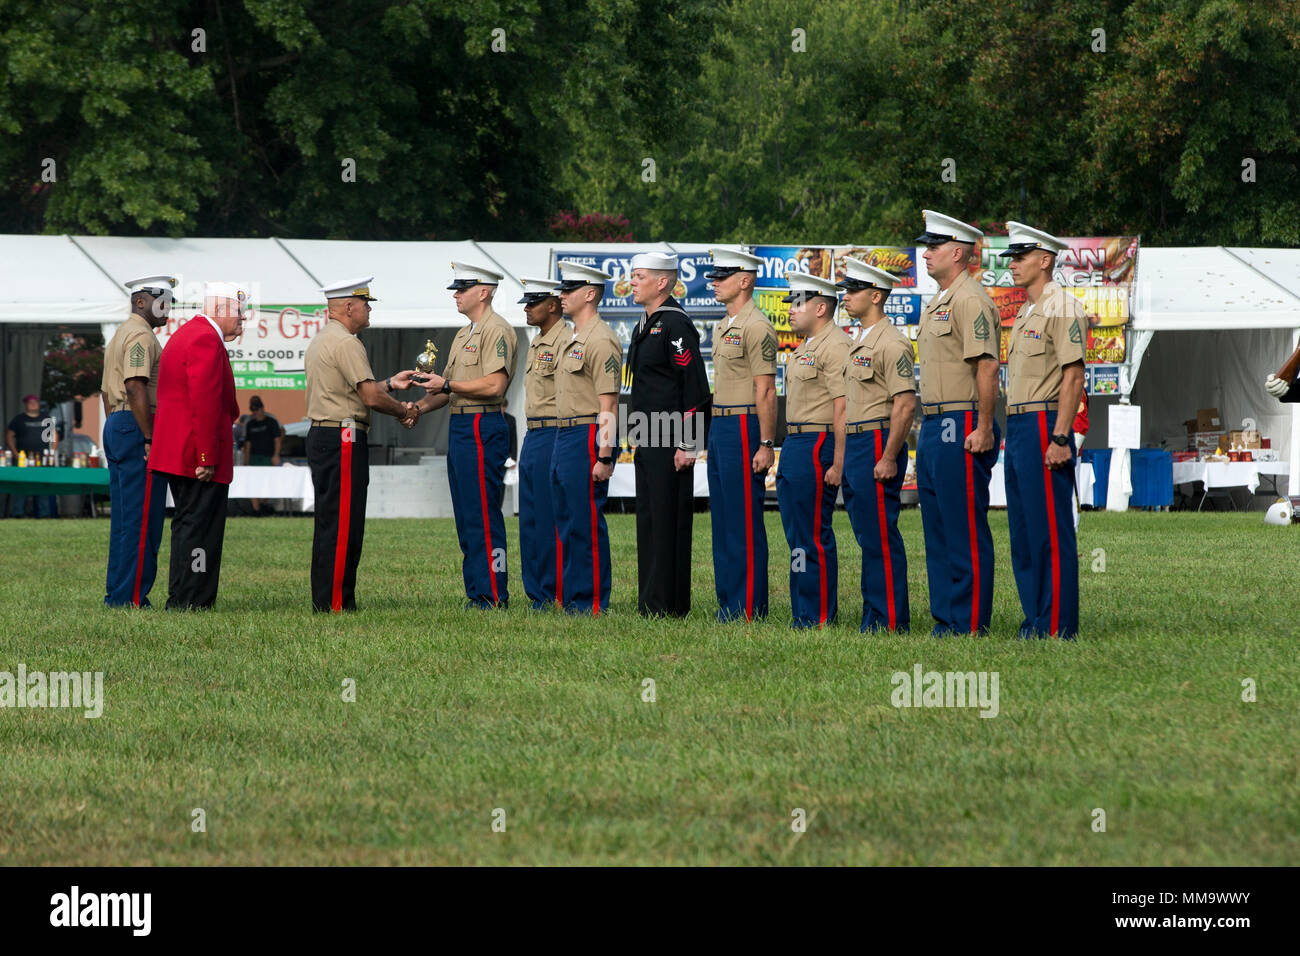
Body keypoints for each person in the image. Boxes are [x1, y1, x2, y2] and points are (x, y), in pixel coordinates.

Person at [304, 276, 420, 612]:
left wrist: (389, 384)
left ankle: (330, 599)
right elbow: (368, 396)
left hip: (327, 434)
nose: (369, 309)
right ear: (349, 307)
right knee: (344, 524)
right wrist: (403, 411)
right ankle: (335, 602)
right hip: (342, 437)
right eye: (366, 303)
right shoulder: (347, 343)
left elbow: (352, 389)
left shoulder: (326, 339)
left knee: (333, 521)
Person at [915, 210, 1001, 637]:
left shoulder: (970, 299)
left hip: (961, 419)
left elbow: (987, 366)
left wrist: (984, 427)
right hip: (934, 422)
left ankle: (968, 621)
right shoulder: (939, 300)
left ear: (957, 251)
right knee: (938, 527)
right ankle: (946, 617)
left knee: (963, 524)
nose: (926, 254)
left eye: (933, 247)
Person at [413, 262, 518, 609]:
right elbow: (446, 389)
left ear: (483, 292)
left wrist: (447, 385)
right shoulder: (464, 333)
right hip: (461, 425)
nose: (455, 294)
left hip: (482, 424)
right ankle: (477, 591)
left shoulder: (497, 330)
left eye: (462, 289)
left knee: (484, 513)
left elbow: (494, 384)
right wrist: (416, 409)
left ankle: (493, 592)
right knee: (466, 515)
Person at [1000, 223, 1086, 640]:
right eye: (1012, 258)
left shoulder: (1062, 306)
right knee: (1024, 531)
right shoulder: (1024, 313)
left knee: (1051, 529)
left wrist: (1060, 437)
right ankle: (1035, 617)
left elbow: (1073, 377)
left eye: (1020, 257)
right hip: (1017, 424)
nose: (1013, 265)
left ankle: (1057, 624)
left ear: (1045, 260)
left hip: (1043, 422)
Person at [625, 252, 711, 617]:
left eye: (639, 275)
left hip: (670, 436)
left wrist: (689, 443)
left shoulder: (675, 324)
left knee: (667, 521)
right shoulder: (643, 325)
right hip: (647, 435)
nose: (632, 282)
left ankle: (667, 605)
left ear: (662, 282)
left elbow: (694, 385)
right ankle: (651, 602)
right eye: (632, 275)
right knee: (648, 519)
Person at [149, 281, 244, 610]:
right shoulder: (205, 338)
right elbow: (203, 401)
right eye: (239, 313)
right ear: (220, 309)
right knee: (200, 529)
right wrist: (206, 455)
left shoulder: (193, 333)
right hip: (195, 453)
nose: (243, 320)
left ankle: (183, 595)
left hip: (181, 451)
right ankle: (193, 599)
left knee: (190, 525)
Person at [838, 258, 916, 633]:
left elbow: (904, 404)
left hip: (875, 441)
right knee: (867, 534)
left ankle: (890, 620)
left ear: (876, 295)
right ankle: (874, 614)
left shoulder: (893, 342)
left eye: (854, 290)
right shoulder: (861, 340)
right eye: (846, 289)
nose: (846, 296)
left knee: (881, 535)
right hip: (856, 442)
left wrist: (888, 455)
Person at [704, 247, 777, 622]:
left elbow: (765, 389)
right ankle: (728, 603)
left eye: (723, 276)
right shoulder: (724, 324)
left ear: (745, 280)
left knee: (745, 521)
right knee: (725, 519)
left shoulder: (757, 326)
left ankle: (748, 607)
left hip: (745, 425)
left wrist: (766, 443)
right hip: (721, 424)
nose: (715, 282)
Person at [777, 271, 853, 629]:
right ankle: (802, 610)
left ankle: (818, 614)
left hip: (817, 442)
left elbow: (843, 407)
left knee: (810, 533)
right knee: (796, 535)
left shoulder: (836, 346)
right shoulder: (805, 347)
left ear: (821, 307)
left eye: (798, 303)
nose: (790, 310)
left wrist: (838, 462)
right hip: (795, 441)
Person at [552, 260, 621, 615]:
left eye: (569, 290)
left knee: (585, 522)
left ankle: (591, 602)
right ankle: (572, 597)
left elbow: (608, 402)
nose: (561, 296)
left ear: (590, 294)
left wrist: (605, 455)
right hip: (564, 434)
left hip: (587, 433)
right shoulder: (573, 337)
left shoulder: (601, 339)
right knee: (566, 519)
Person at [100, 274, 173, 605]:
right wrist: (148, 436)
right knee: (143, 519)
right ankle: (130, 597)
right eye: (162, 301)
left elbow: (106, 392)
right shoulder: (141, 335)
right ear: (141, 301)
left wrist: (119, 423)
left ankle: (118, 593)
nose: (167, 308)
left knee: (125, 520)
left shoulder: (120, 333)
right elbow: (135, 385)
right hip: (136, 423)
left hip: (119, 421)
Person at [516, 276, 568, 609]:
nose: (527, 309)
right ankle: (536, 591)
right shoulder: (537, 341)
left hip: (555, 430)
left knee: (552, 516)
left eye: (533, 303)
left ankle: (555, 589)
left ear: (552, 305)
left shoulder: (566, 340)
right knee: (530, 516)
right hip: (533, 432)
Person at [6, 394, 57, 517]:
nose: (34, 404)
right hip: (23, 459)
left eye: (36, 402)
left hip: (42, 459)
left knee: (42, 486)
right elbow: (9, 436)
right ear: (26, 404)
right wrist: (15, 454)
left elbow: (54, 436)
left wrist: (52, 453)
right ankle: (18, 513)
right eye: (31, 402)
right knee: (21, 486)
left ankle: (44, 514)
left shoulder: (46, 418)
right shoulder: (19, 420)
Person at [242, 395, 283, 515]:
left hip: (268, 457)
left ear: (262, 408)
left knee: (267, 482)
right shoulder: (250, 423)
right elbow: (247, 444)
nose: (255, 412)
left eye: (257, 409)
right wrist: (246, 460)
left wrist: (276, 455)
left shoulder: (272, 421)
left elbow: (277, 439)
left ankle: (263, 504)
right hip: (254, 457)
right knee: (253, 483)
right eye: (253, 410)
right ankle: (256, 510)